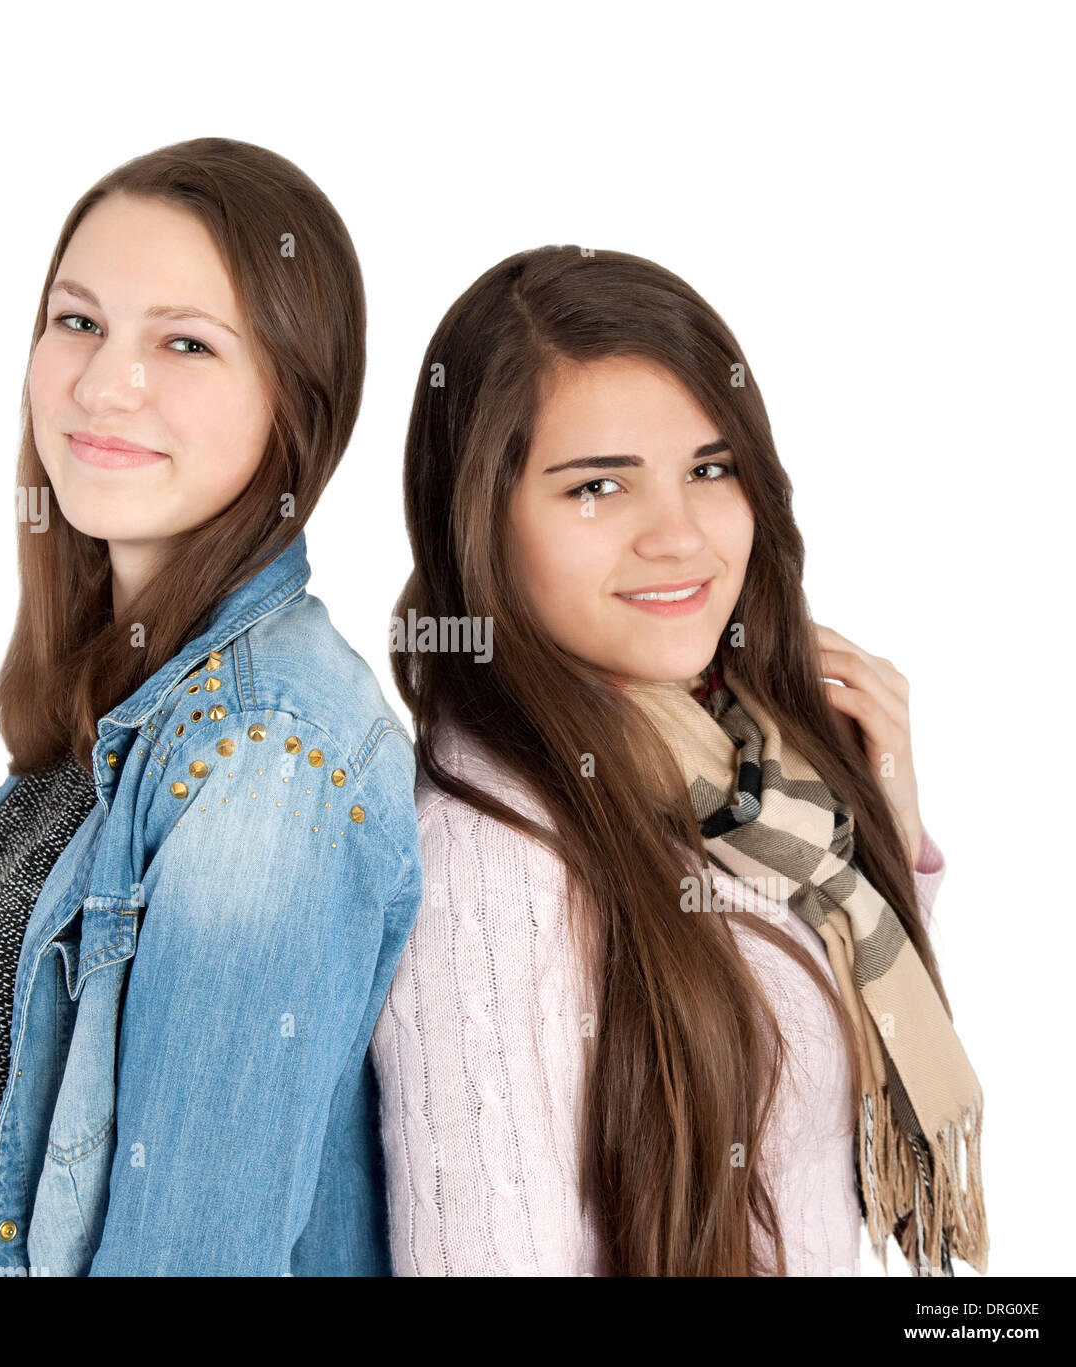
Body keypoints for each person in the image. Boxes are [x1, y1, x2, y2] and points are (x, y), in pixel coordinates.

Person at [370, 246, 988, 1276]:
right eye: (597, 486)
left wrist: (886, 830)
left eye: (709, 469)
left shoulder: (739, 773)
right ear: (481, 522)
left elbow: (812, 1136)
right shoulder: (492, 871)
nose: (680, 535)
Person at [0, 137, 422, 1277]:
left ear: (295, 401)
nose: (104, 381)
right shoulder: (127, 700)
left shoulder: (269, 759)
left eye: (184, 341)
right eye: (79, 322)